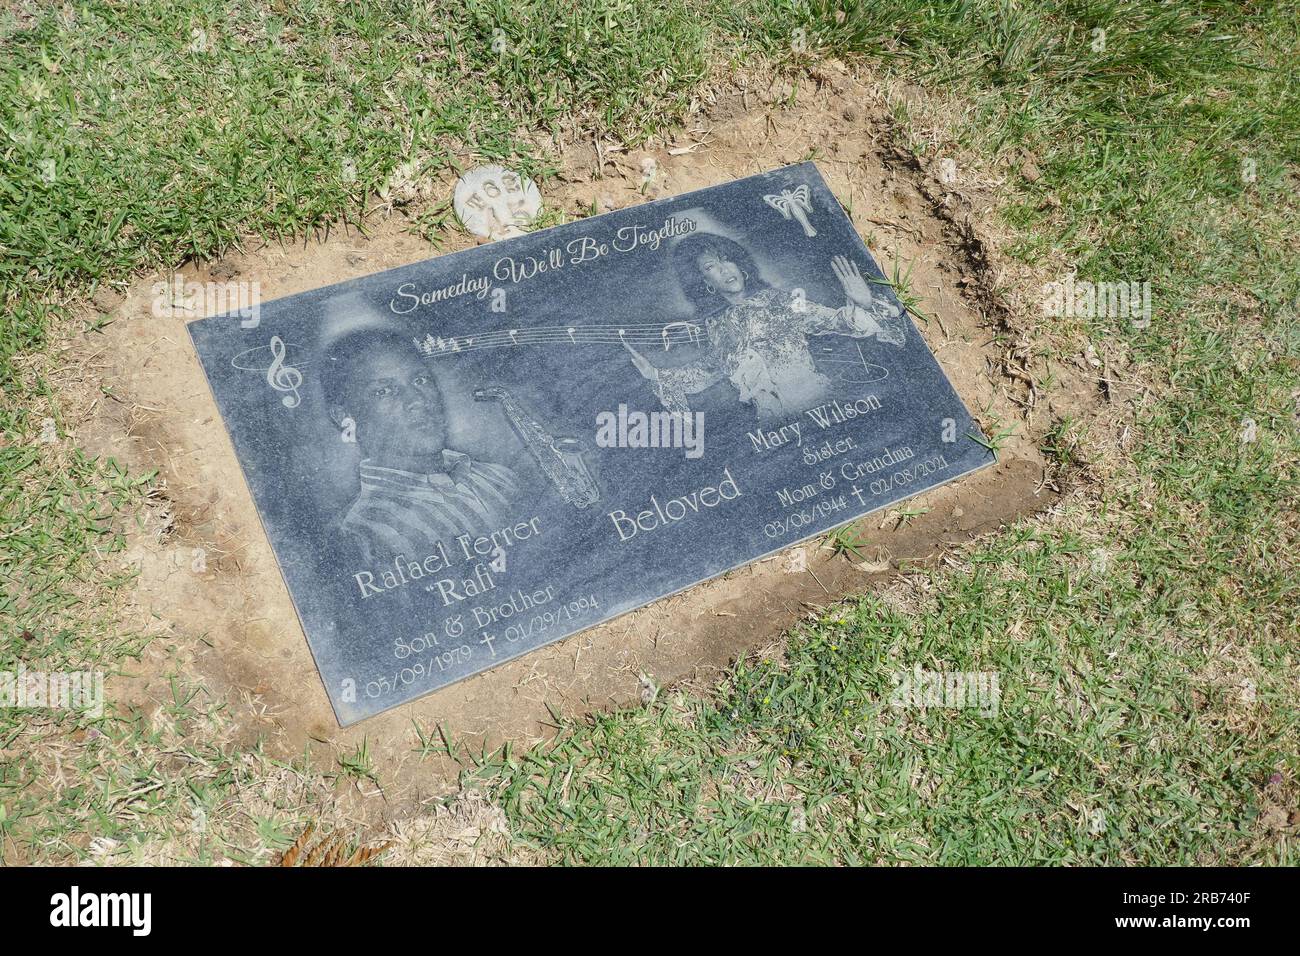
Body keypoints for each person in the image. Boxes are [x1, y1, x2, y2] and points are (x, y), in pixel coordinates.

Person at [624, 233, 907, 418]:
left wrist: (863, 302)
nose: (724, 270)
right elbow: (709, 369)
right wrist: (658, 375)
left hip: (821, 406)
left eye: (727, 260)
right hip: (772, 425)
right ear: (704, 282)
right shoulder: (718, 326)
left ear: (739, 263)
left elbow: (833, 320)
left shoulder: (784, 301)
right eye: (711, 267)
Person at [320, 328, 519, 563]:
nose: (418, 400)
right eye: (384, 391)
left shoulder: (501, 478)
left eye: (420, 380)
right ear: (344, 417)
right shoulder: (366, 537)